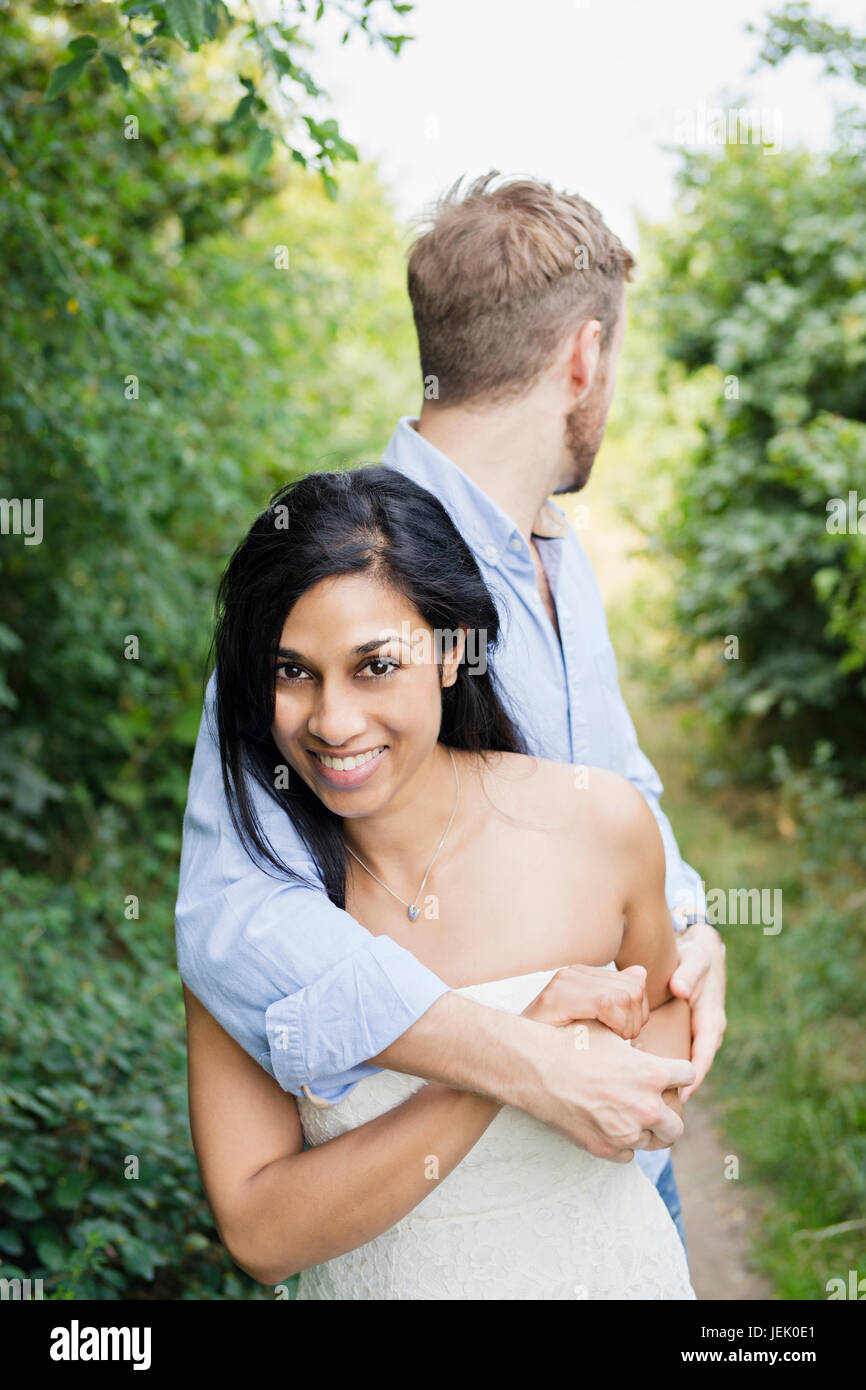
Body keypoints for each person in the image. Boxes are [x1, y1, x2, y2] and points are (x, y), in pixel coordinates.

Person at [175, 172, 726, 1238]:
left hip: (612, 1154)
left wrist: (692, 923)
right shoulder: (338, 581)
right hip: (414, 1185)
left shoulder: (560, 559)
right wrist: (516, 1056)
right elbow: (232, 921)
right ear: (584, 359)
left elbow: (616, 789)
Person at [184, 466, 695, 1298]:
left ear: (453, 650)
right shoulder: (250, 921)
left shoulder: (597, 825)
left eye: (375, 666)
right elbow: (261, 1234)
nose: (332, 721)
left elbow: (666, 1003)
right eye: (292, 671)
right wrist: (516, 1062)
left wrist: (645, 1101)